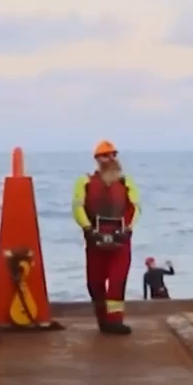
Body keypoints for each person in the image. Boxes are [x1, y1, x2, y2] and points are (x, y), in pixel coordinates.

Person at [73, 140, 140, 335]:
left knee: (118, 280)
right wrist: (88, 229)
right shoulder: (85, 181)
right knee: (95, 281)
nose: (110, 159)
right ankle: (103, 319)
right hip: (95, 238)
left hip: (120, 239)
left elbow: (136, 207)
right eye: (105, 155)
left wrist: (128, 229)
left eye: (113, 155)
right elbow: (77, 207)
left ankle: (115, 321)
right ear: (97, 159)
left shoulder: (126, 182)